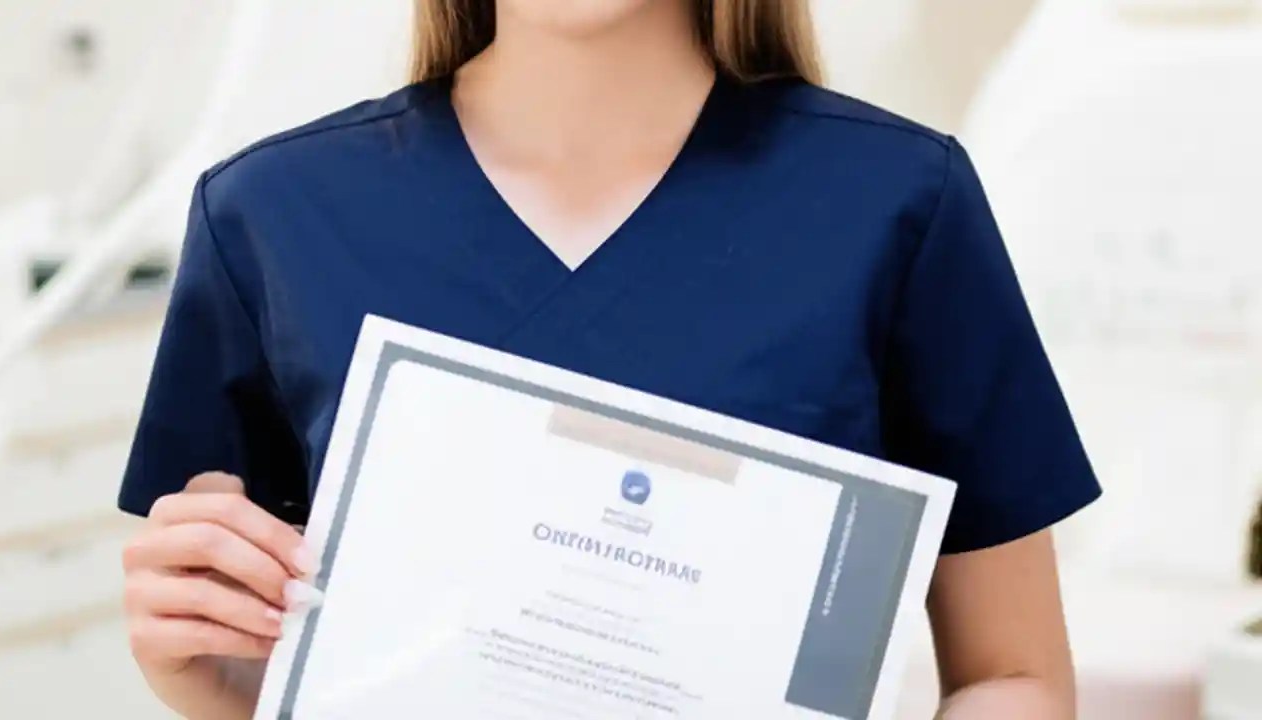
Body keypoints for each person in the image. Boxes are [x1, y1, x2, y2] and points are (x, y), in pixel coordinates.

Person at [117, 1, 1101, 717]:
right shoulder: (273, 218)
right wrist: (205, 679)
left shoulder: (896, 203)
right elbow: (301, 672)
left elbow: (1012, 676)